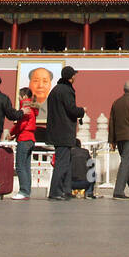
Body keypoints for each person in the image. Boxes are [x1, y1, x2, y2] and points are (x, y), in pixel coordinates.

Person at [45, 66, 86, 201]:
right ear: (70, 77)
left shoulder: (55, 90)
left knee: (67, 162)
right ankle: (55, 191)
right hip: (64, 131)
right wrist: (81, 111)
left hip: (56, 131)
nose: (75, 77)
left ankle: (66, 189)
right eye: (74, 75)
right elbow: (71, 109)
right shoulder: (66, 91)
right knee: (62, 163)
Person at [108, 80, 129, 199]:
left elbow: (111, 122)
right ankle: (118, 190)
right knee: (126, 162)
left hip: (119, 137)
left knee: (126, 161)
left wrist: (111, 140)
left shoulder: (116, 103)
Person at [9, 89, 38, 200]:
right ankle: (27, 190)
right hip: (31, 138)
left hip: (24, 138)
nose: (19, 98)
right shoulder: (33, 108)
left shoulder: (25, 107)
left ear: (24, 96)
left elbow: (21, 124)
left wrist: (12, 133)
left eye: (19, 96)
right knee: (26, 166)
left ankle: (23, 191)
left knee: (20, 166)